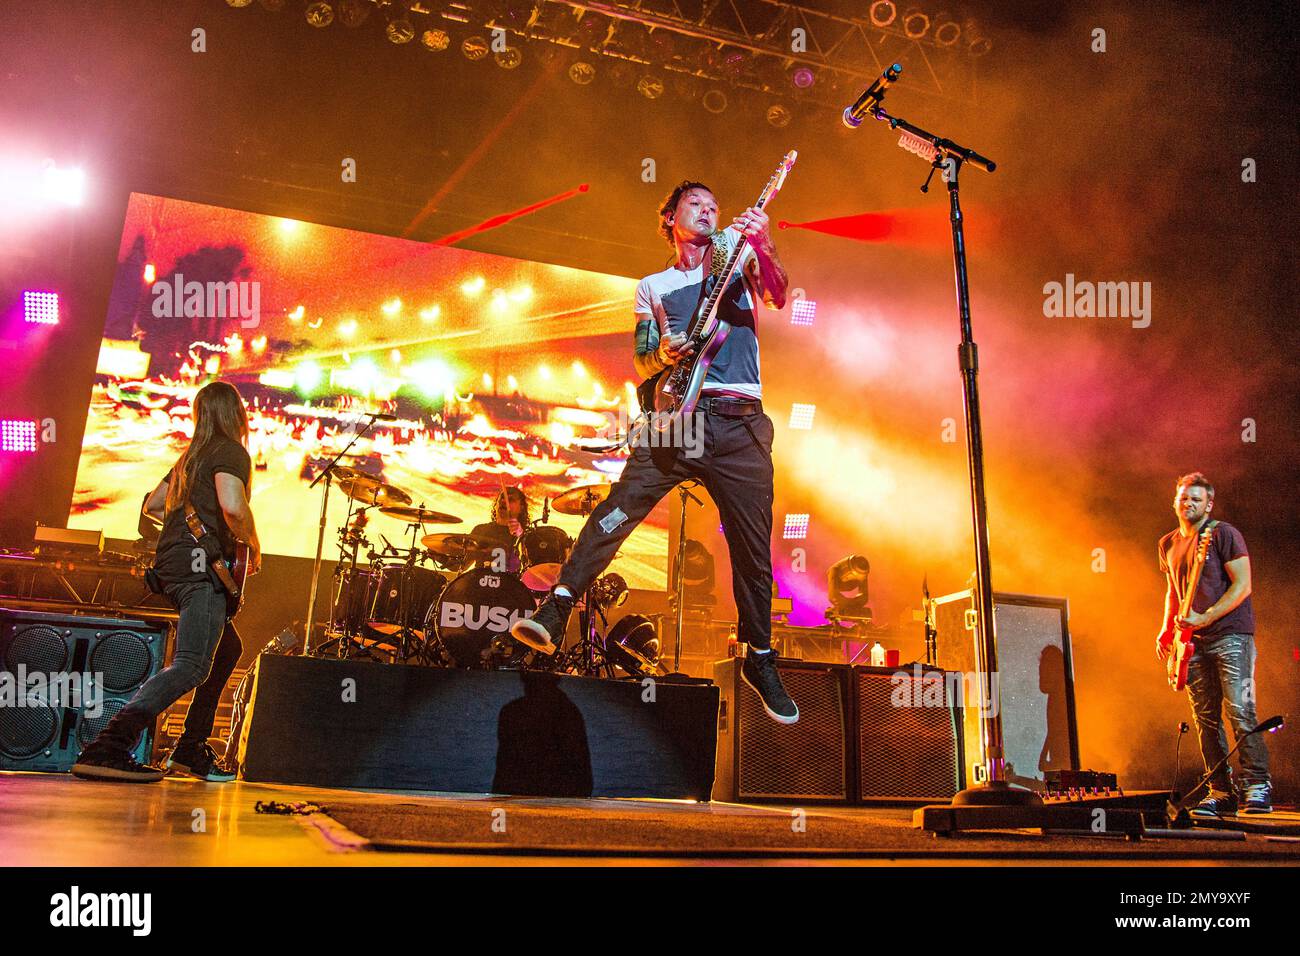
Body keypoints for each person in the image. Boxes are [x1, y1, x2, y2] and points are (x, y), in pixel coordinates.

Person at [511, 180, 798, 723]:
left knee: (753, 555)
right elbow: (642, 362)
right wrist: (662, 352)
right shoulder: (652, 286)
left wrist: (766, 246)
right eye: (696, 203)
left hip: (741, 427)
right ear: (669, 217)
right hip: (680, 422)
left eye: (715, 204)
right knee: (614, 513)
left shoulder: (735, 259)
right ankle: (556, 608)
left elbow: (778, 294)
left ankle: (760, 658)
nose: (709, 208)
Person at [72, 381, 262, 783]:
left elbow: (153, 506)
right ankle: (108, 746)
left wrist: (183, 533)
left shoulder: (189, 459)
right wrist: (253, 544)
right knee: (193, 665)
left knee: (228, 648)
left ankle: (190, 749)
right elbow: (233, 507)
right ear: (236, 414)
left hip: (174, 566)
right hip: (200, 573)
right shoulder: (230, 451)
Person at [1156, 472, 1271, 815]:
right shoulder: (1168, 543)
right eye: (1183, 497)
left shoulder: (1223, 534)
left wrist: (1207, 618)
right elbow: (1173, 591)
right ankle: (1220, 790)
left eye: (1196, 498)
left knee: (1240, 709)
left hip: (1230, 634)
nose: (1188, 503)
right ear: (1174, 501)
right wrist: (1166, 630)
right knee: (1205, 719)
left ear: (1208, 504)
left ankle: (1257, 784)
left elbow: (1243, 585)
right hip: (1191, 642)